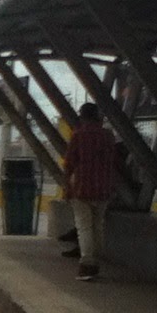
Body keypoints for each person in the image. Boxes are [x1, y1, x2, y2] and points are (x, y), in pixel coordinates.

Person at [63, 102, 117, 281]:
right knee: (97, 226)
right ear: (97, 116)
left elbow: (69, 163)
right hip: (103, 188)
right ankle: (95, 263)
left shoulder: (78, 135)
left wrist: (67, 186)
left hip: (82, 188)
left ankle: (87, 265)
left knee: (84, 227)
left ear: (82, 116)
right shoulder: (108, 136)